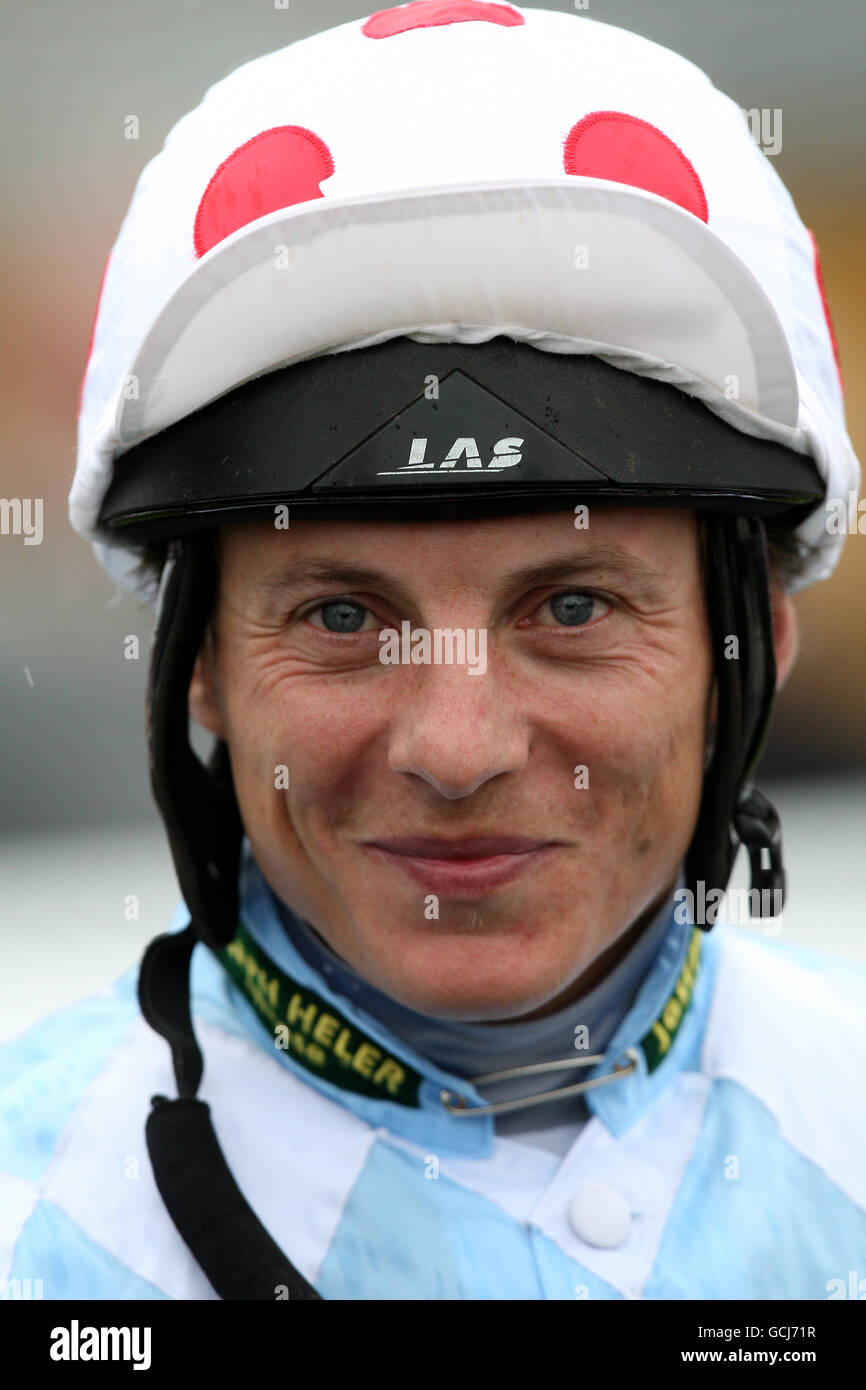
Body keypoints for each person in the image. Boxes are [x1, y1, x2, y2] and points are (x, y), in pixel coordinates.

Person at [2, 2, 864, 1302]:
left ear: (754, 648)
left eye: (570, 610)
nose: (457, 750)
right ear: (200, 668)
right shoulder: (41, 1228)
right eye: (342, 619)